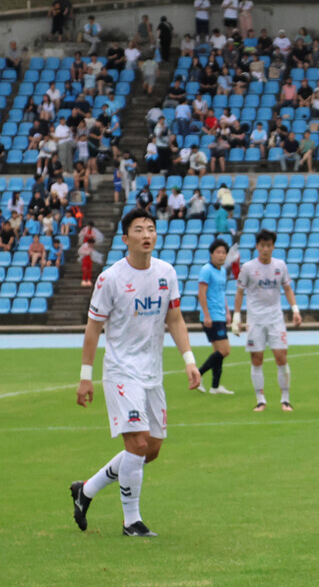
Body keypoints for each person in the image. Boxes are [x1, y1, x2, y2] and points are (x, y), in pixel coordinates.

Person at [69, 208, 201, 538]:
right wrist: (86, 376)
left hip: (152, 373)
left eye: (151, 228)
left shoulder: (166, 273)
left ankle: (85, 490)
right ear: (126, 239)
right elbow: (93, 328)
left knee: (150, 450)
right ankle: (132, 522)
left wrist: (189, 360)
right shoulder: (111, 278)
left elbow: (174, 320)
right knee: (138, 443)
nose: (147, 234)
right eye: (139, 229)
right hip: (121, 371)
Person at [231, 230, 303, 412]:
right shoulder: (247, 268)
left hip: (275, 319)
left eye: (269, 245)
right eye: (262, 245)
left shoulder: (280, 265)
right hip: (255, 320)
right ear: (257, 246)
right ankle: (260, 400)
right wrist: (236, 317)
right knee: (257, 359)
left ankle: (285, 400)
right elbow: (239, 292)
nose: (265, 249)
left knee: (281, 357)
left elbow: (287, 289)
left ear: (273, 247)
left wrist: (295, 310)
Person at [195, 240, 235, 394]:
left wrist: (227, 311)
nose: (221, 255)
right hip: (211, 315)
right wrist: (206, 315)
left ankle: (215, 387)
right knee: (225, 350)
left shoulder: (222, 271)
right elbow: (201, 294)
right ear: (211, 254)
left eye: (224, 253)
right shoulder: (206, 270)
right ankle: (198, 375)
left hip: (220, 315)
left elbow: (222, 293)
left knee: (218, 353)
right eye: (218, 252)